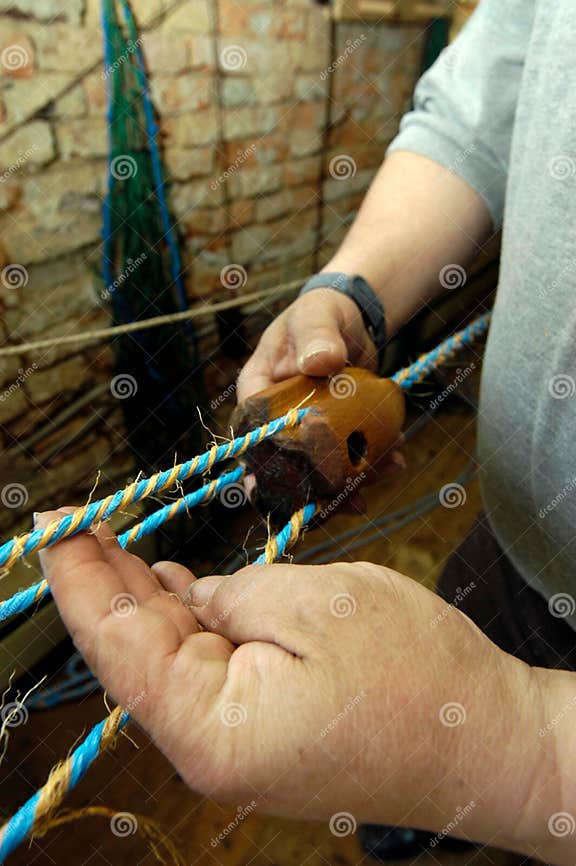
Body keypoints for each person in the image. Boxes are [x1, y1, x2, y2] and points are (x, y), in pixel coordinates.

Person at [39, 0, 576, 862]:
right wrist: (350, 295)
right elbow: (476, 118)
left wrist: (529, 751)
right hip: (515, 545)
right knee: (408, 824)